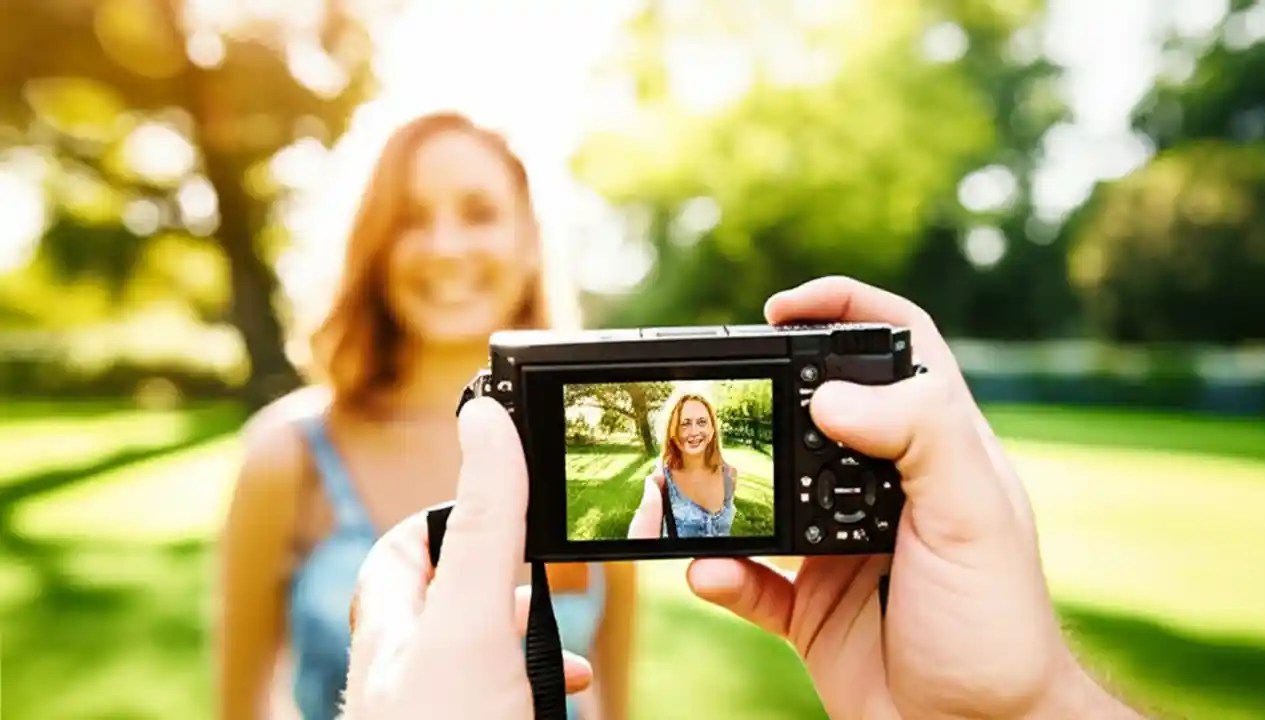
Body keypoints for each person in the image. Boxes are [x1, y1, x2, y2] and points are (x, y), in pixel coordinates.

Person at [340, 275, 1152, 720]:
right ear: (670, 431)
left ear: (712, 427)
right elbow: (640, 529)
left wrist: (1028, 705)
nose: (693, 428)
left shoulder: (738, 477)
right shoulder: (658, 481)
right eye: (682, 419)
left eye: (702, 417)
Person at [216, 112, 635, 720]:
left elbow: (614, 705)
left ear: (529, 242)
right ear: (376, 247)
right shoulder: (287, 456)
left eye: (479, 214)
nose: (445, 247)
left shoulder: (592, 449)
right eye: (410, 219)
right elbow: (240, 708)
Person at [627, 392, 737, 539]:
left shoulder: (729, 475)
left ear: (712, 428)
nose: (694, 432)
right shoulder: (661, 481)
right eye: (685, 424)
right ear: (673, 430)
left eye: (702, 422)